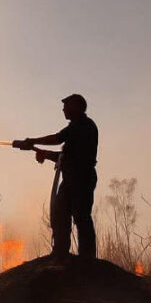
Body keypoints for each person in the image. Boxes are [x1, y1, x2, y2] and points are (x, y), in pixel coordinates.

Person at [12, 94, 98, 260]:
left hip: (82, 178)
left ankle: (87, 259)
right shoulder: (76, 129)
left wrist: (31, 141)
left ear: (77, 107)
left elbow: (58, 139)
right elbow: (65, 155)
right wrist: (43, 153)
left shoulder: (83, 125)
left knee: (81, 216)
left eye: (67, 105)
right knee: (59, 212)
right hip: (70, 179)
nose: (63, 109)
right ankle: (60, 252)